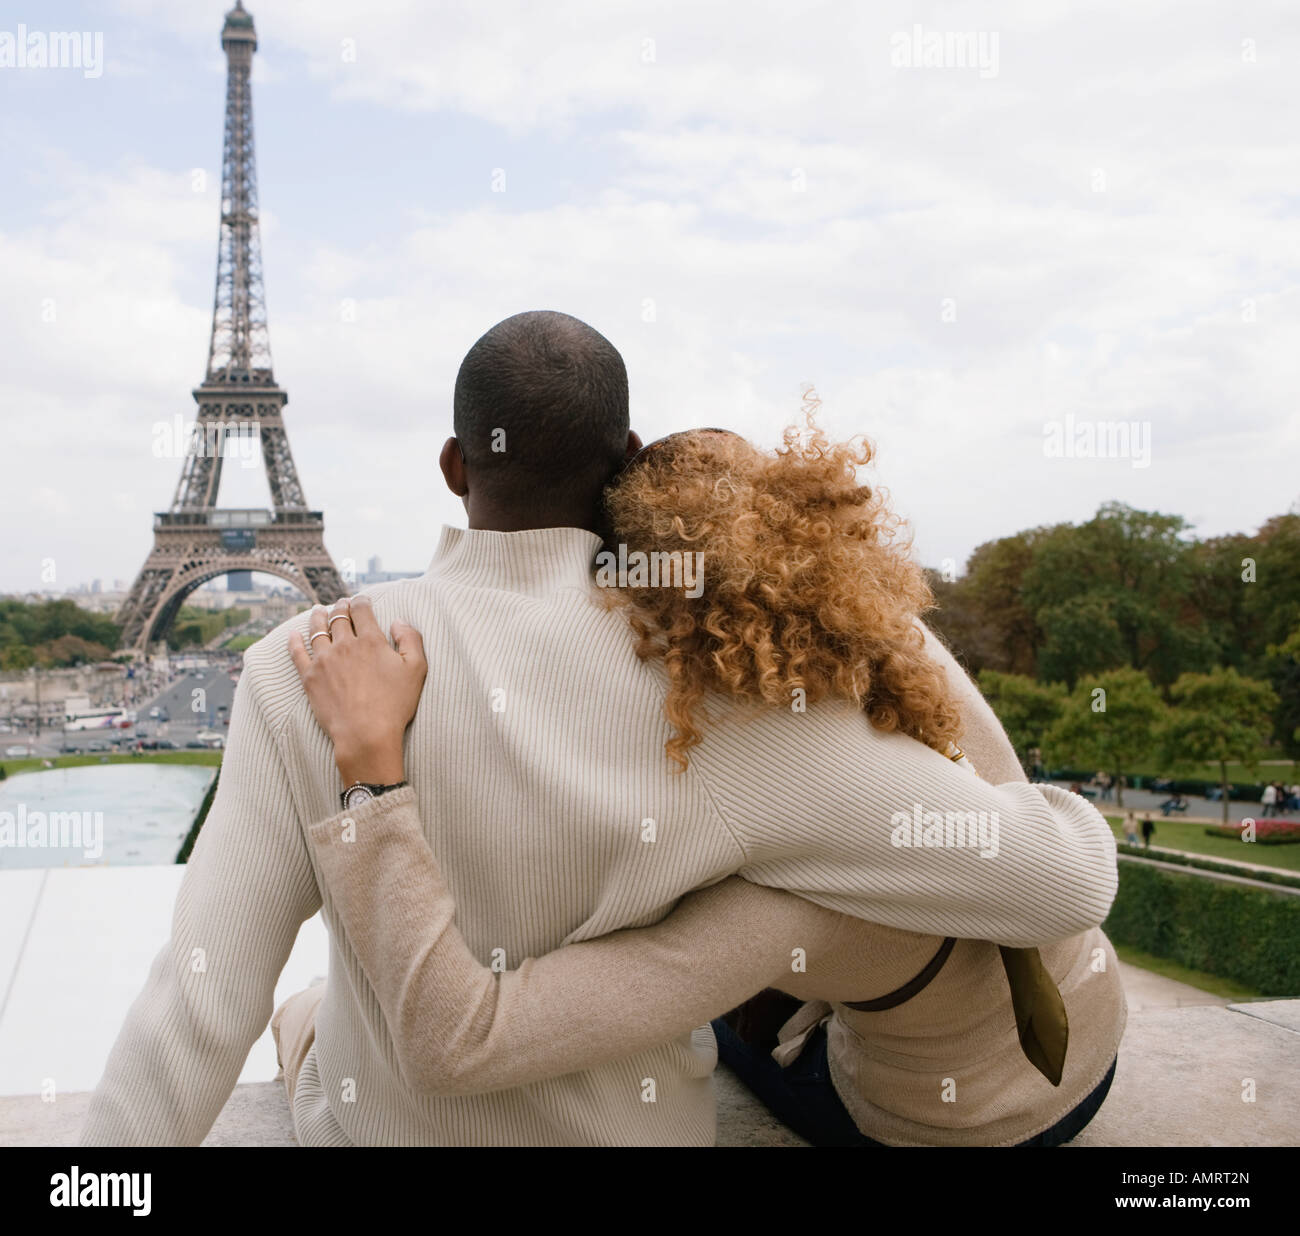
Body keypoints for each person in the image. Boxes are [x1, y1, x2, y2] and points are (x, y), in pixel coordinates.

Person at [82, 312, 1117, 1148]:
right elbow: (1061, 881)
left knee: (318, 1013)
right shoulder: (716, 688)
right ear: (623, 462)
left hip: (380, 1119)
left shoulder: (303, 663)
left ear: (454, 464)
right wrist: (860, 603)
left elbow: (198, 1003)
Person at [287, 583, 1124, 1147]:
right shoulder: (889, 639)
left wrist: (371, 770)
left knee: (669, 1020)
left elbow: (460, 1043)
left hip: (970, 1125)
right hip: (1094, 1025)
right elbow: (1043, 843)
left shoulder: (783, 907)